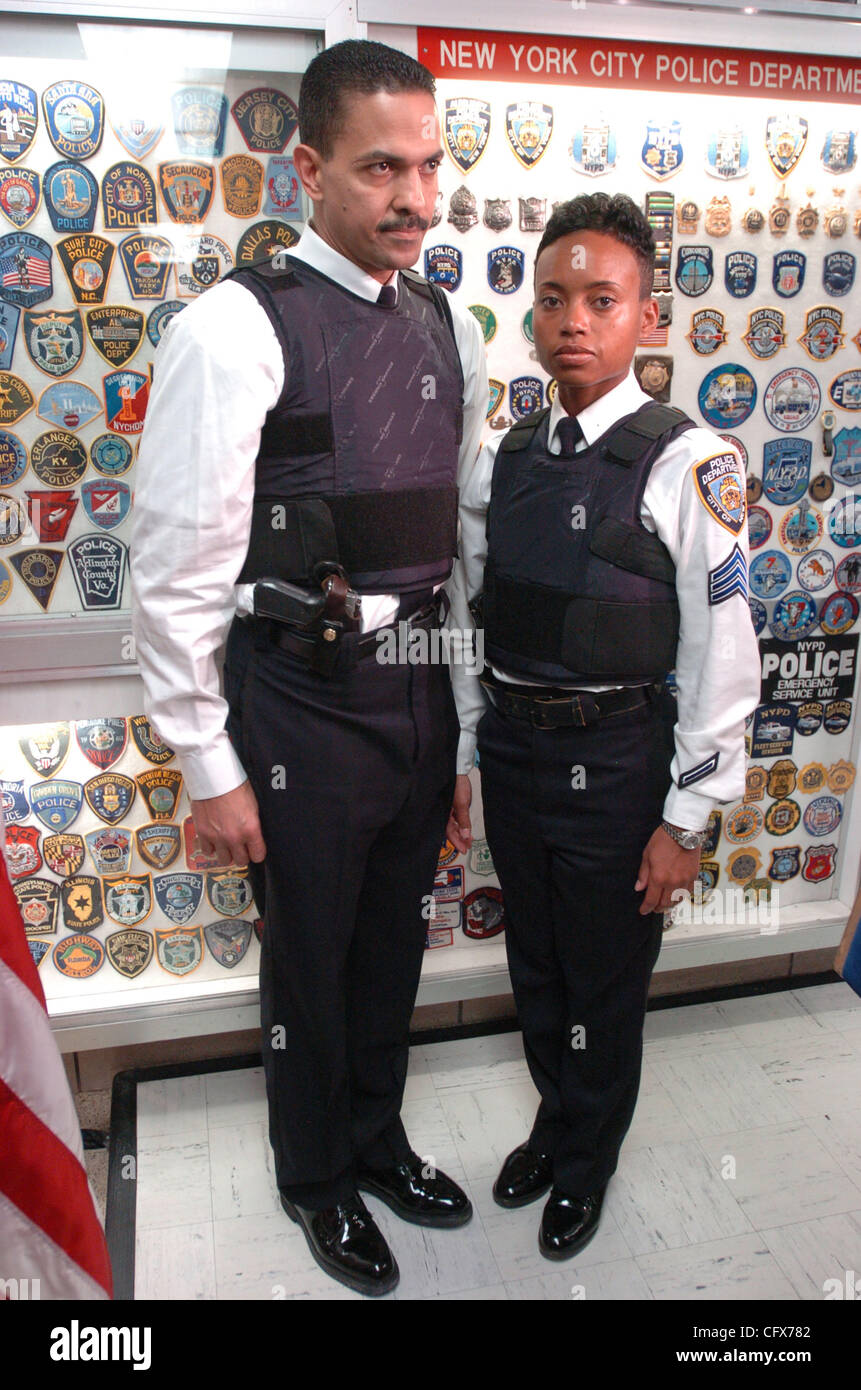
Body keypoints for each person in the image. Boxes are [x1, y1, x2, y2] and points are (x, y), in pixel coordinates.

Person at [131, 39, 488, 1298]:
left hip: (415, 693)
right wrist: (206, 761)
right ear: (309, 169)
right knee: (311, 954)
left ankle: (378, 1138)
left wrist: (459, 722)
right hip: (300, 700)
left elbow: (455, 544)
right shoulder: (238, 327)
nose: (416, 197)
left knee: (393, 941)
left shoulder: (444, 319)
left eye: (431, 166)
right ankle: (315, 1176)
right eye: (382, 167)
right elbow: (176, 565)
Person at [445, 193, 761, 1260]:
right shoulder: (506, 460)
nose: (573, 319)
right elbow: (478, 615)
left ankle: (588, 1159)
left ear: (645, 317)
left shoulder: (688, 462)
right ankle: (556, 1115)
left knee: (605, 975)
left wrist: (690, 819)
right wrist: (469, 748)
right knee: (536, 961)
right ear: (532, 318)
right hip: (519, 751)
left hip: (621, 760)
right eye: (553, 300)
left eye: (601, 299)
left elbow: (724, 660)